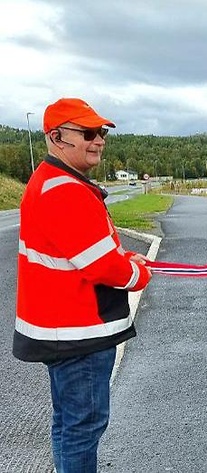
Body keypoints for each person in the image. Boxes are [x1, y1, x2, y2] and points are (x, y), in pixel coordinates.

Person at [14, 98, 153, 472]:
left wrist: (124, 260)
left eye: (101, 132)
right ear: (57, 137)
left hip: (64, 328)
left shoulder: (54, 181)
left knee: (68, 424)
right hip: (77, 330)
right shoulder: (64, 190)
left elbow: (90, 252)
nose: (99, 141)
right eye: (88, 133)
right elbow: (103, 266)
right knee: (82, 427)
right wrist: (137, 273)